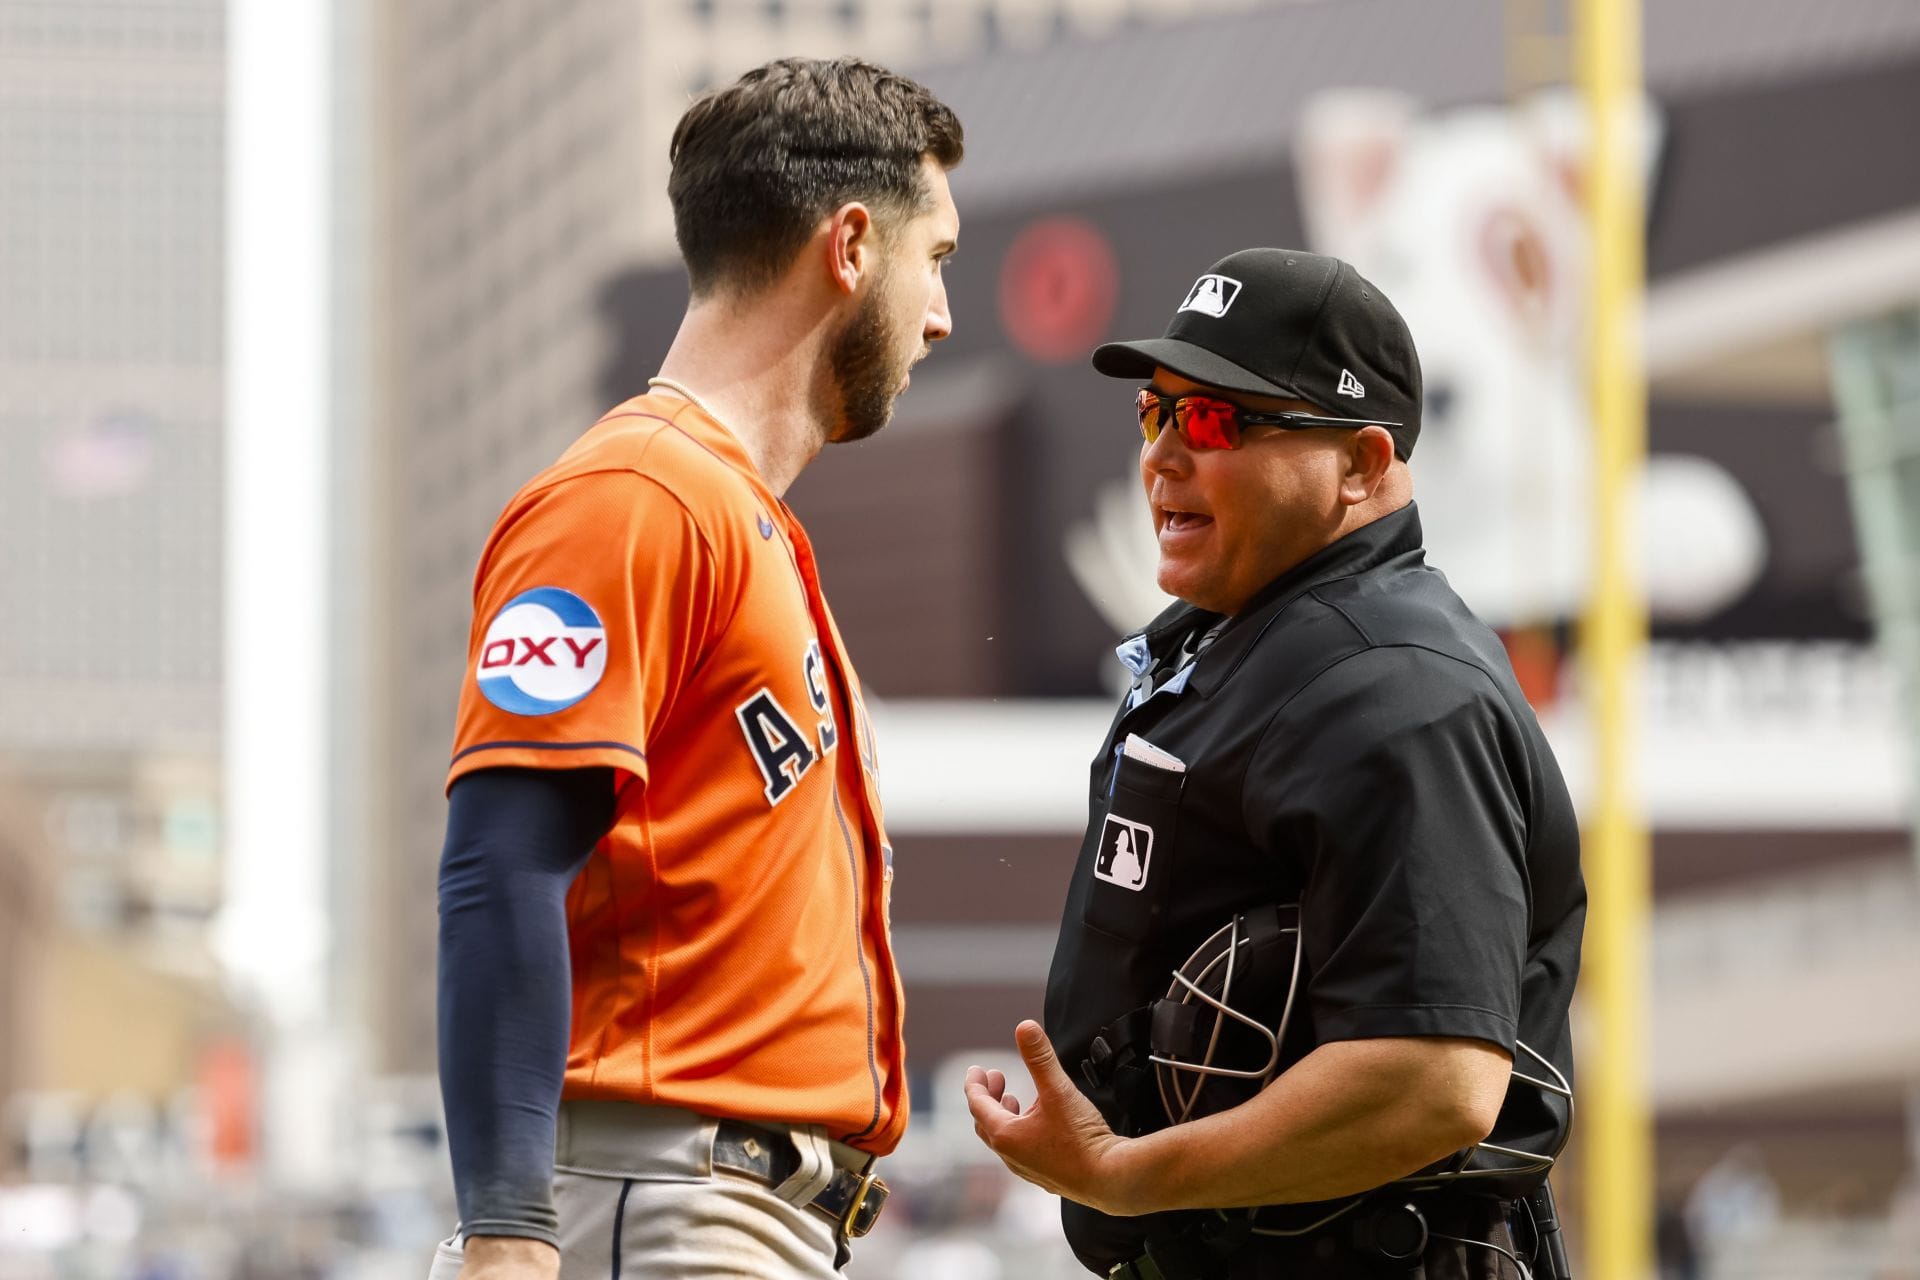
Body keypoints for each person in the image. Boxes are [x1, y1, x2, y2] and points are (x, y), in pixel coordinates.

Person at [432, 57, 962, 1280]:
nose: (940, 314)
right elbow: (499, 861)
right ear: (848, 246)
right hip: (656, 1197)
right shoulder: (635, 495)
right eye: (934, 258)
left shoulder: (739, 516)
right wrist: (508, 1227)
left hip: (731, 1205)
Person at [964, 248, 1585, 1279]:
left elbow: (1436, 1080)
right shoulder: (1248, 635)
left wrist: (1128, 1174)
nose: (1164, 455)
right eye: (1156, 413)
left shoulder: (1395, 684)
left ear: (1362, 462)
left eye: (1216, 422)